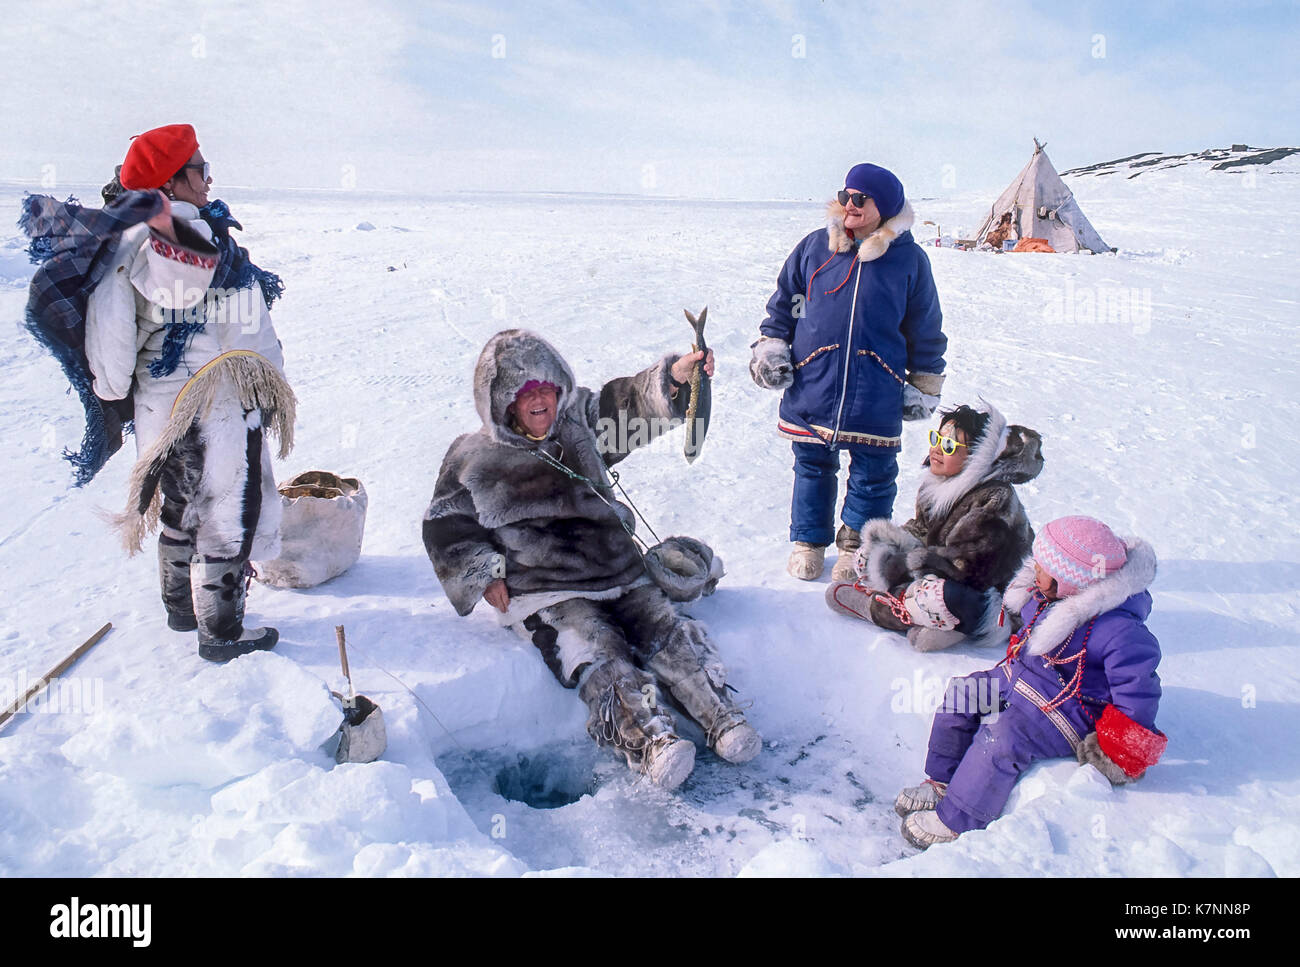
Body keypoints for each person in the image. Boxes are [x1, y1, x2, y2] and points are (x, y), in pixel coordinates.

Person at [422, 329, 761, 790]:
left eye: (547, 387)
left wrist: (675, 381)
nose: (541, 399)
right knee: (593, 646)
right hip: (546, 587)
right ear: (502, 401)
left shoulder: (579, 420)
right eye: (526, 391)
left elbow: (629, 407)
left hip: (618, 569)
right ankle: (649, 740)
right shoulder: (473, 458)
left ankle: (719, 717)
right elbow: (447, 524)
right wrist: (482, 574)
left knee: (664, 628)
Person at [79, 123, 293, 660]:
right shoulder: (200, 241)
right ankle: (222, 632)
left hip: (163, 401)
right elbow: (244, 323)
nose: (209, 177)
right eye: (199, 169)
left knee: (181, 500)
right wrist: (269, 383)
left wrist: (113, 388)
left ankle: (180, 608)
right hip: (220, 395)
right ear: (171, 182)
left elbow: (110, 330)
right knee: (227, 508)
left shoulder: (131, 239)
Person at [895, 516, 1165, 848]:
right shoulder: (1044, 596)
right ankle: (941, 781)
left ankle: (958, 818)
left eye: (1043, 567)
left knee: (1004, 735)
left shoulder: (1120, 632)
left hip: (1065, 710)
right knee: (963, 695)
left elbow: (1138, 691)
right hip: (1019, 678)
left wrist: (1120, 754)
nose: (1034, 570)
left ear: (1070, 580)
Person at [750, 163, 948, 583]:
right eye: (846, 196)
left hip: (876, 389)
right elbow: (785, 304)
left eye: (861, 199)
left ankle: (856, 544)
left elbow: (925, 328)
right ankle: (808, 541)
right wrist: (772, 347)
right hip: (813, 383)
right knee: (811, 467)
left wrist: (925, 382)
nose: (850, 205)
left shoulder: (909, 260)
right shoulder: (815, 248)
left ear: (885, 206)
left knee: (874, 475)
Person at [824, 402, 1044, 651]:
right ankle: (938, 622)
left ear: (976, 458)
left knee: (942, 596)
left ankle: (877, 608)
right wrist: (892, 545)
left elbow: (968, 568)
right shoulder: (940, 484)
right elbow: (921, 529)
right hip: (946, 570)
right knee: (871, 553)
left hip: (989, 593)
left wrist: (899, 567)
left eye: (949, 445)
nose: (937, 449)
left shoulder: (995, 499)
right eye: (936, 438)